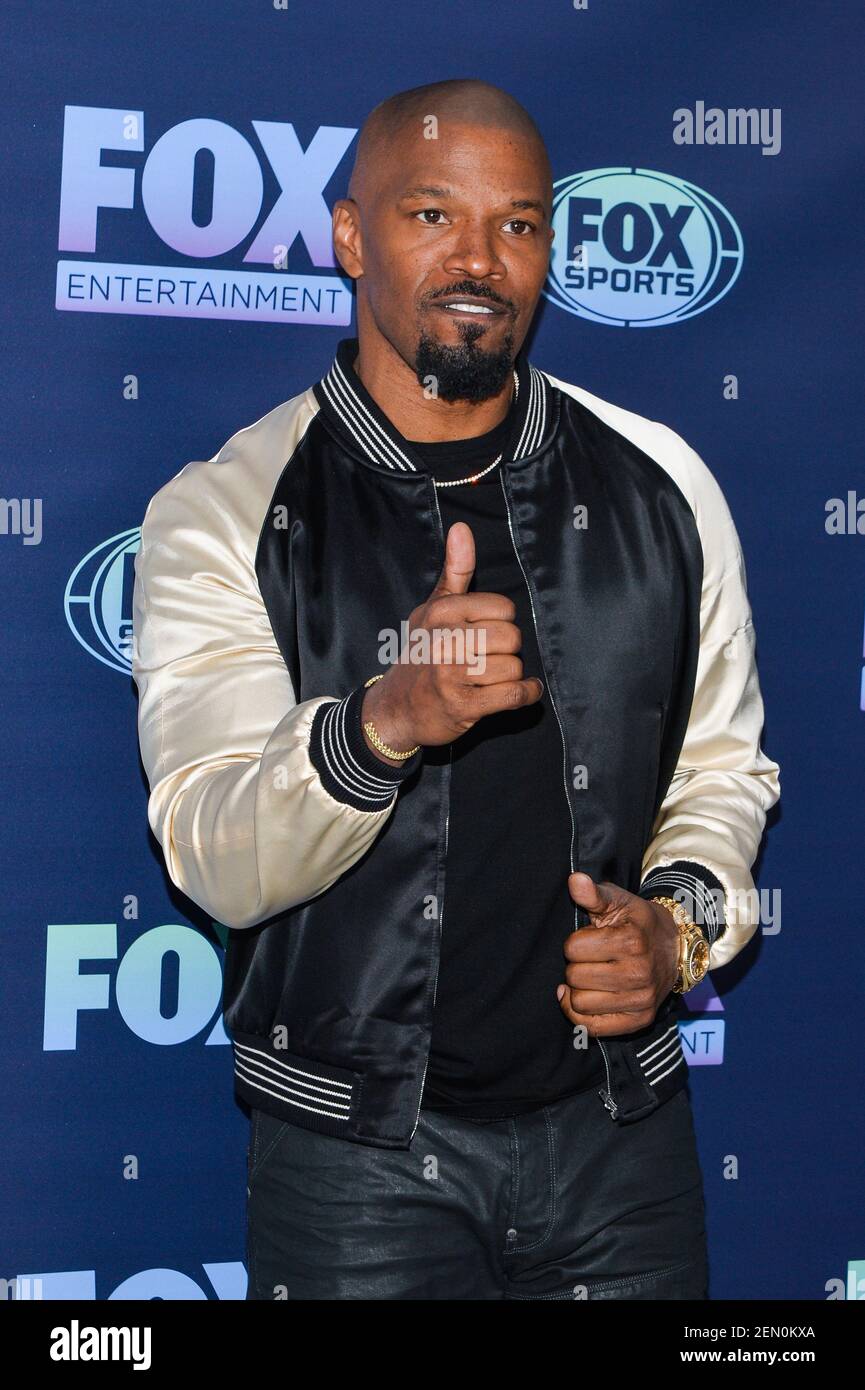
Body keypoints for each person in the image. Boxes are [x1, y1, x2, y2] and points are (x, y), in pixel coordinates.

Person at [132, 78, 781, 1300]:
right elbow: (210, 851)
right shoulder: (225, 511)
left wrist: (676, 928)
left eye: (519, 224)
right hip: (354, 1171)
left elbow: (721, 773)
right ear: (347, 235)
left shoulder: (662, 485)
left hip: (621, 1145)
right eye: (432, 214)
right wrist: (383, 725)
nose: (479, 260)